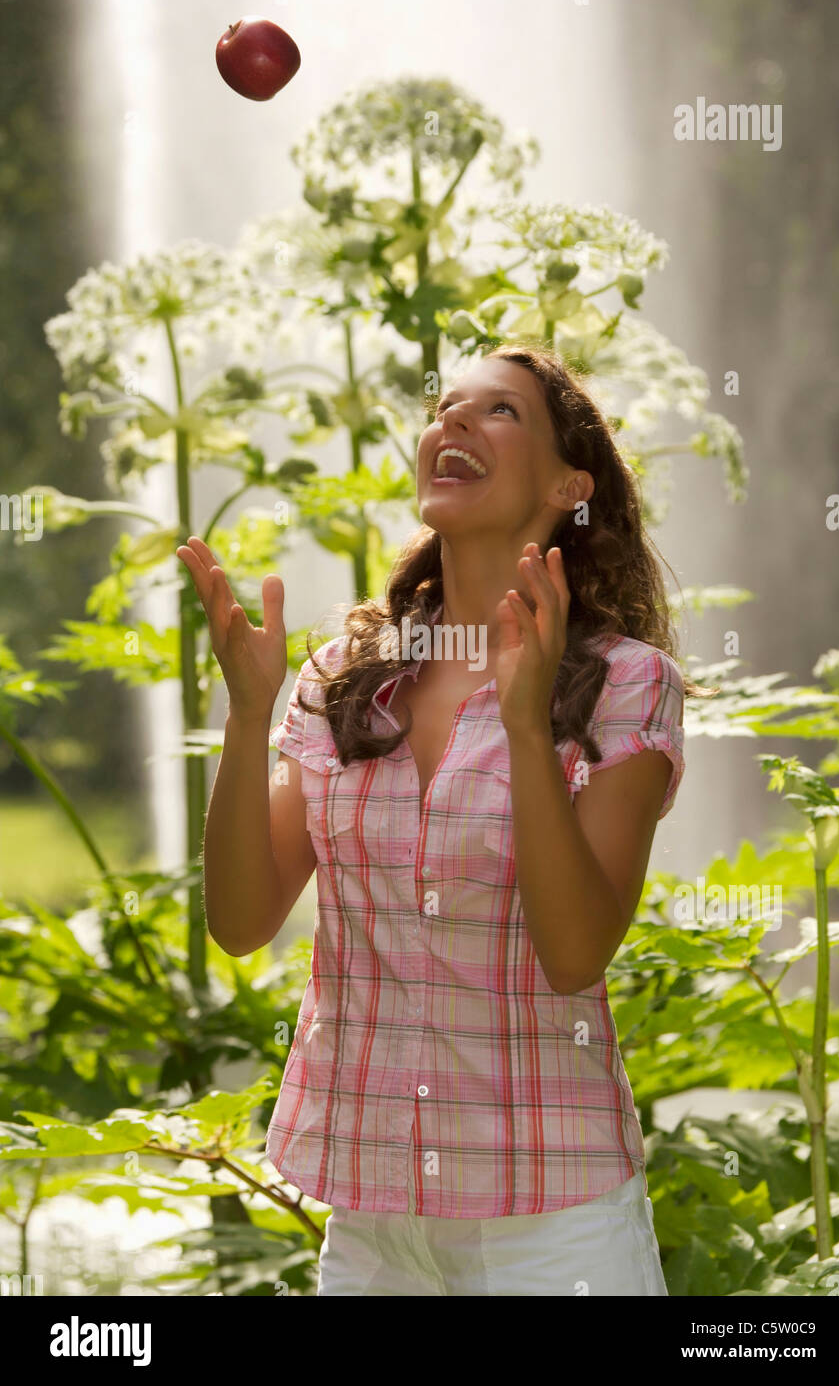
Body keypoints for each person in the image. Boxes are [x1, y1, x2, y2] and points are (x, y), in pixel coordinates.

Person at [176, 343, 690, 1296]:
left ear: (569, 484)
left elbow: (577, 952)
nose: (450, 422)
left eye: (497, 412)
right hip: (374, 1232)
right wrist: (248, 715)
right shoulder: (342, 677)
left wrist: (527, 725)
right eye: (444, 407)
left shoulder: (625, 681)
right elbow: (242, 924)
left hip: (553, 1226)